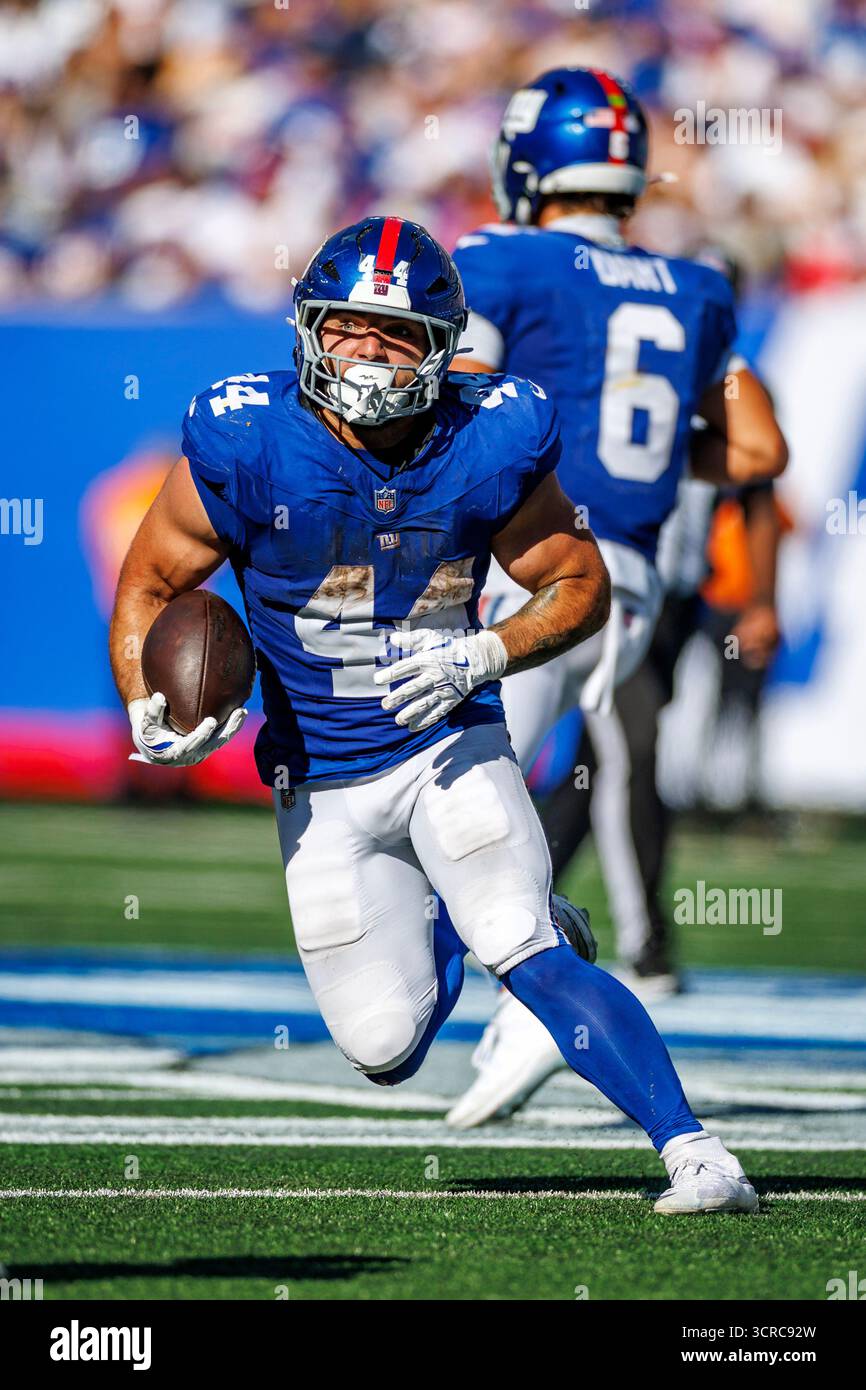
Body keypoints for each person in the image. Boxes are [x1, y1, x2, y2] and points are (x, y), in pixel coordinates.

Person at [109, 214, 759, 1213]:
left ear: (443, 345)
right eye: (344, 327)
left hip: (445, 736)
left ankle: (694, 1150)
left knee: (518, 939)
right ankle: (475, 931)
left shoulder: (488, 431)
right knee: (382, 1047)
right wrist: (149, 705)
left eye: (394, 333)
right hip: (317, 776)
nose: (364, 350)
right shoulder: (245, 434)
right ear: (306, 329)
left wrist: (486, 650)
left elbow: (573, 580)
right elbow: (151, 582)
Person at [444, 67, 787, 1130]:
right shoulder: (695, 288)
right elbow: (757, 449)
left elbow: (457, 411)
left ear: (526, 159)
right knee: (487, 811)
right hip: (628, 589)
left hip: (531, 571)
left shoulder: (497, 262)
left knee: (430, 810)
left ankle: (550, 990)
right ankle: (548, 978)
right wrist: (627, 446)